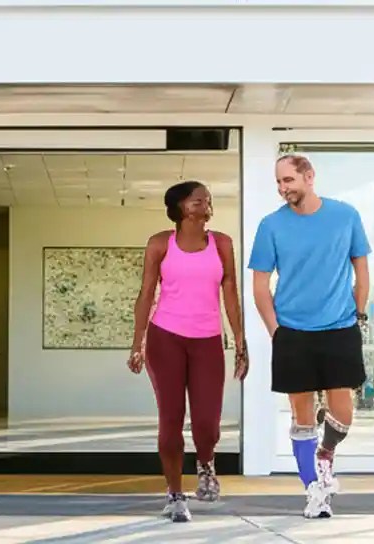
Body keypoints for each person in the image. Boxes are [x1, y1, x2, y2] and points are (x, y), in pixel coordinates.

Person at [248, 154, 371, 519]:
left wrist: (359, 314)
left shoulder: (345, 216)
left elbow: (361, 270)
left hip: (339, 327)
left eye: (289, 181)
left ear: (309, 177)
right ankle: (315, 491)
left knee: (343, 412)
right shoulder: (271, 225)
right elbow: (259, 285)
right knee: (302, 418)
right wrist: (276, 331)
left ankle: (326, 453)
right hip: (293, 333)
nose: (283, 189)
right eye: (279, 183)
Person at [128, 180, 248, 523]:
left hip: (208, 339)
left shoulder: (222, 243)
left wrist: (240, 341)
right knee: (171, 418)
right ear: (182, 207)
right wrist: (137, 343)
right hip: (165, 338)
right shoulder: (159, 244)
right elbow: (146, 293)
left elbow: (231, 294)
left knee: (207, 423)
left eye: (208, 199)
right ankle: (175, 493)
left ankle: (206, 463)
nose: (206, 203)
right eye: (198, 200)